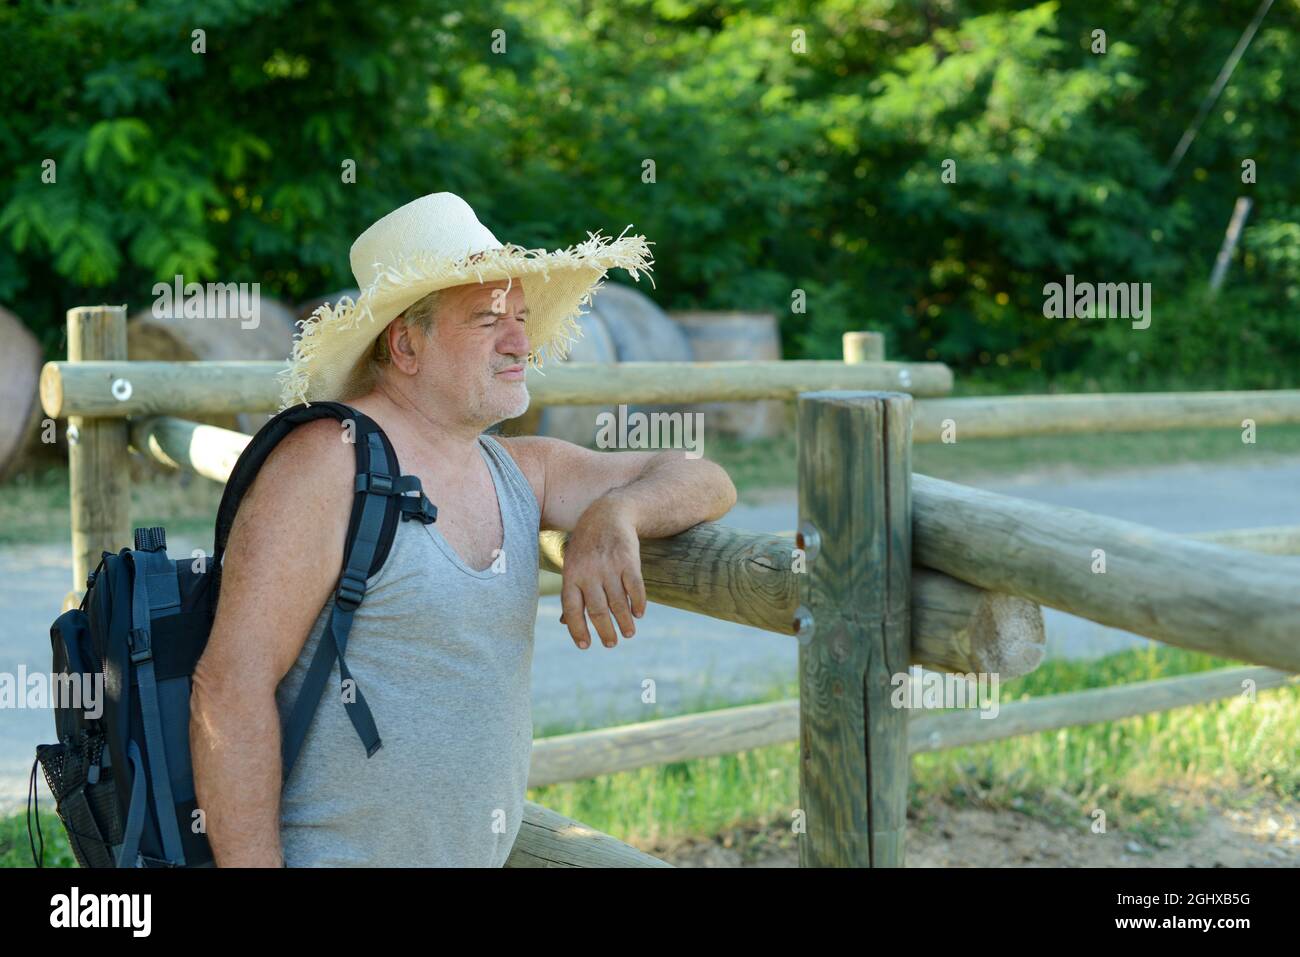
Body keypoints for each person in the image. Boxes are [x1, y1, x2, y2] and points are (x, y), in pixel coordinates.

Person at [189, 191, 736, 866]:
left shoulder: (517, 470)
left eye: (521, 317)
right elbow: (228, 687)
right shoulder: (327, 462)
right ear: (407, 344)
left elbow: (704, 475)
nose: (519, 341)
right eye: (486, 320)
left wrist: (615, 513)